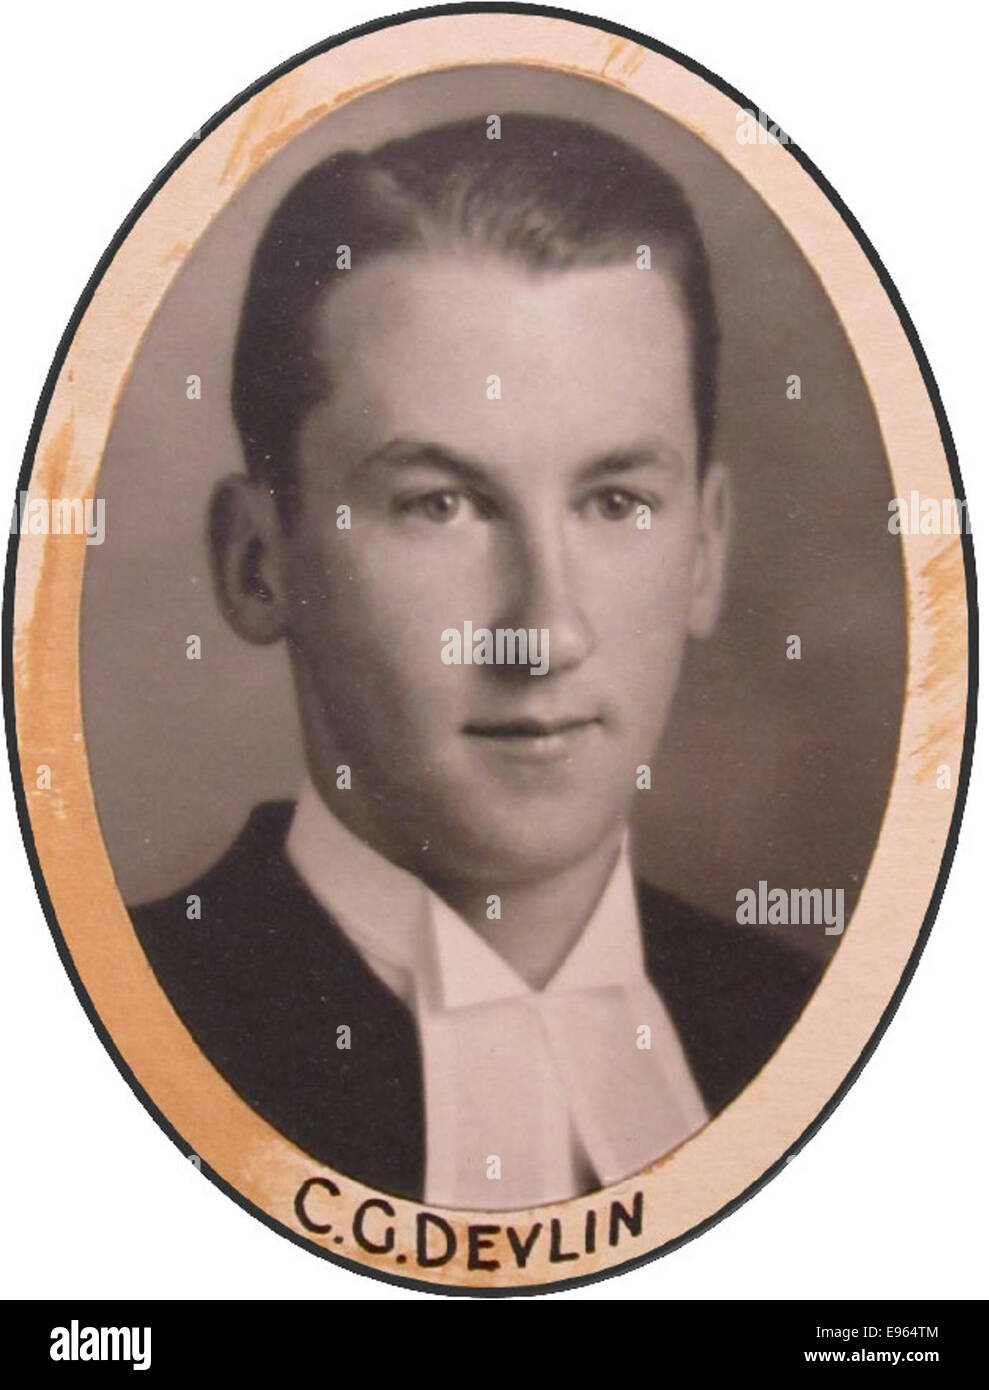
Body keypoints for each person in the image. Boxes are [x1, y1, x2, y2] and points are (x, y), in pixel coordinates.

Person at [131, 113, 820, 1209]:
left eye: (614, 501)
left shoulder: (807, 1037)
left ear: (704, 547)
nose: (543, 633)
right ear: (259, 563)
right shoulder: (117, 1037)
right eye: (439, 504)